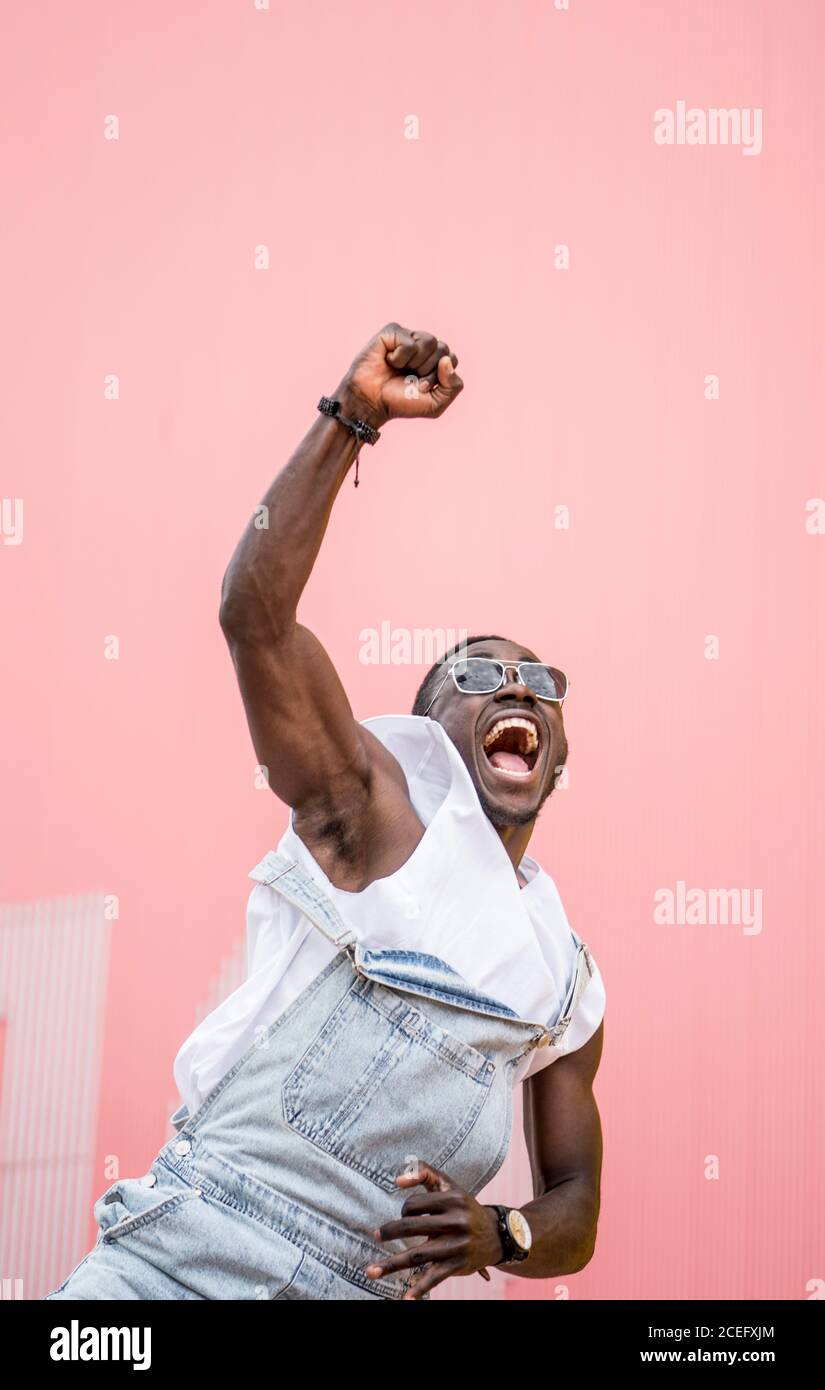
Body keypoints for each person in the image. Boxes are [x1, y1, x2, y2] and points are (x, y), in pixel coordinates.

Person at [44, 322, 605, 1302]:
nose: (514, 687)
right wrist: (352, 416)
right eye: (478, 673)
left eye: (536, 679)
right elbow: (253, 612)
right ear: (426, 734)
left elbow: (577, 1202)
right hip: (189, 1260)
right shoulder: (371, 810)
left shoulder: (566, 981)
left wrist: (501, 1230)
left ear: (558, 752)